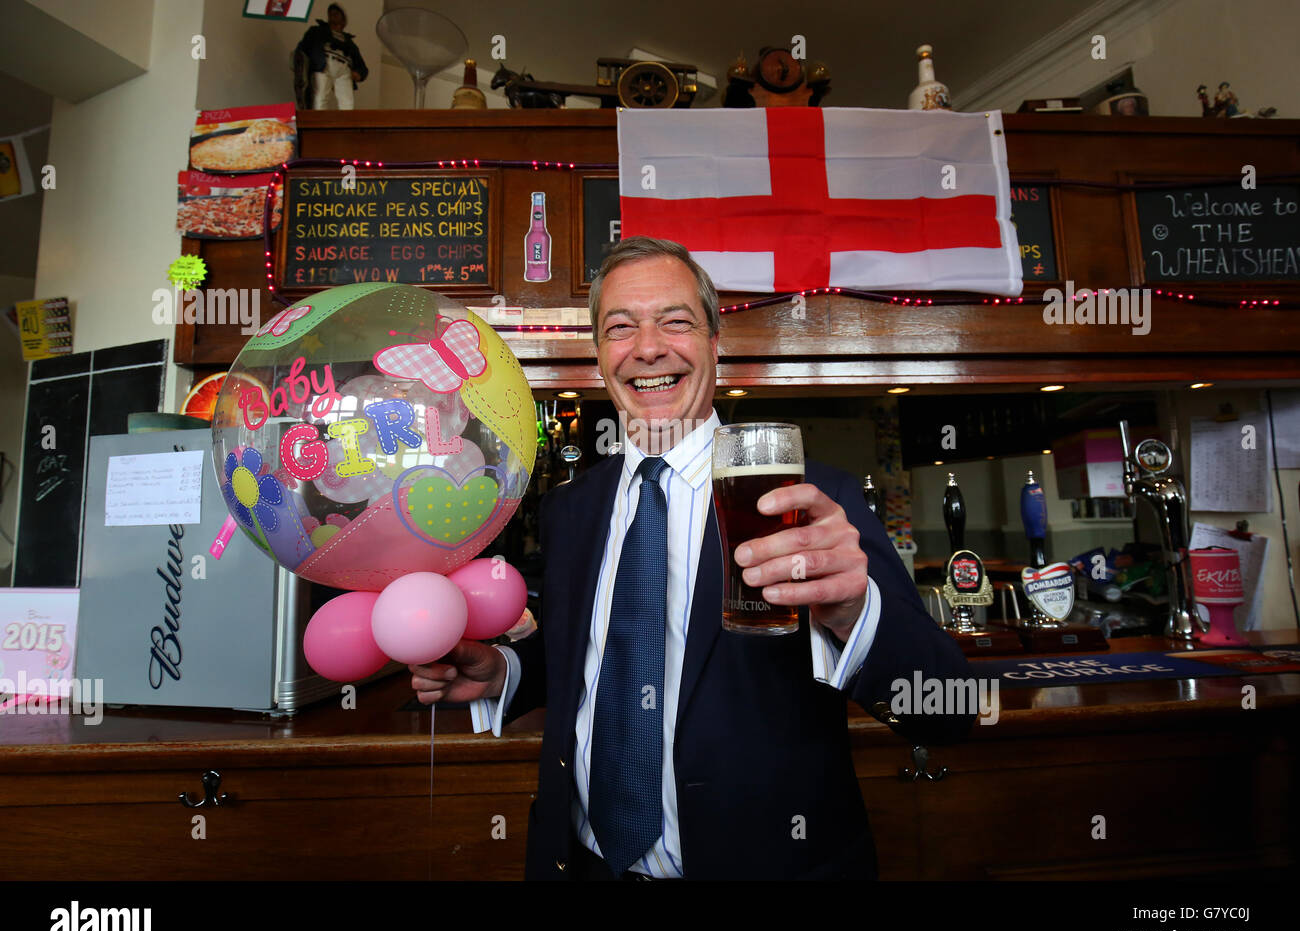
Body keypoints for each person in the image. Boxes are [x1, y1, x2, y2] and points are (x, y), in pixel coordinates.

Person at [409, 236, 976, 880]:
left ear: (714, 344)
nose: (648, 348)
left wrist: (852, 609)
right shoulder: (572, 510)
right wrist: (507, 672)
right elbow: (600, 655)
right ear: (599, 355)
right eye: (620, 328)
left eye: (675, 321)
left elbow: (948, 709)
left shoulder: (805, 499)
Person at [294, 4, 367, 110]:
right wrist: (299, 62)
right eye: (331, 13)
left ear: (343, 19)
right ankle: (318, 123)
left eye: (337, 13)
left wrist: (359, 74)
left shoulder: (349, 42)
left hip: (344, 68)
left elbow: (360, 64)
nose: (333, 15)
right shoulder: (317, 31)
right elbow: (303, 48)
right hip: (323, 65)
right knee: (320, 97)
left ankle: (348, 124)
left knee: (347, 102)